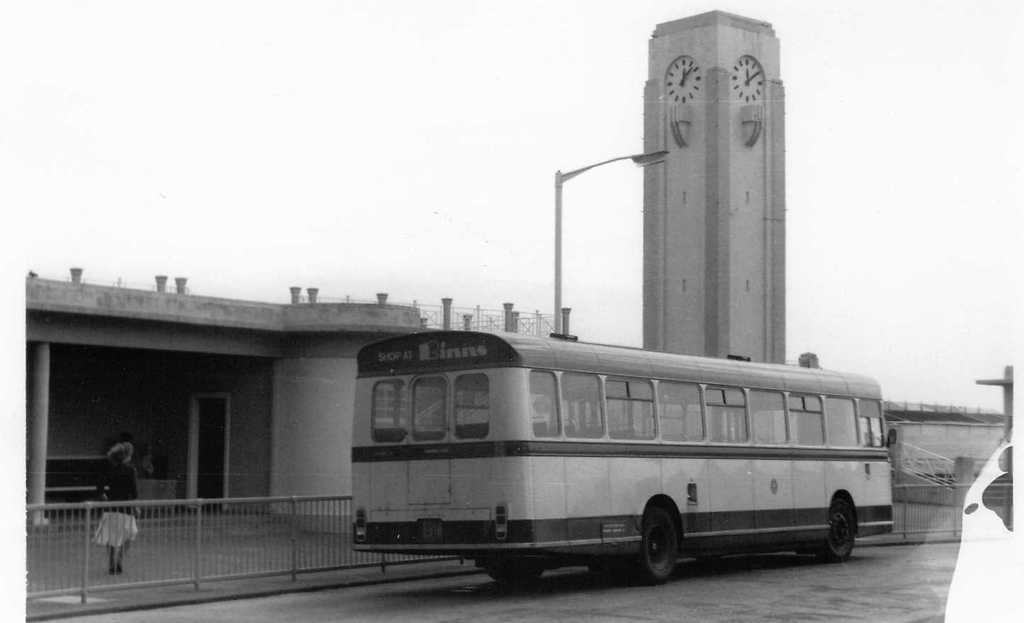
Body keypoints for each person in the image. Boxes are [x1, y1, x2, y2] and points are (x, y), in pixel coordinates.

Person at [94, 441, 139, 574]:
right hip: (126, 507)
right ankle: (119, 559)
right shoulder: (131, 470)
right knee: (129, 535)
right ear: (127, 456)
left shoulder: (110, 470)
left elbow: (100, 485)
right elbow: (134, 491)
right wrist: (136, 506)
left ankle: (111, 562)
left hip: (111, 506)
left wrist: (103, 495)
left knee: (112, 537)